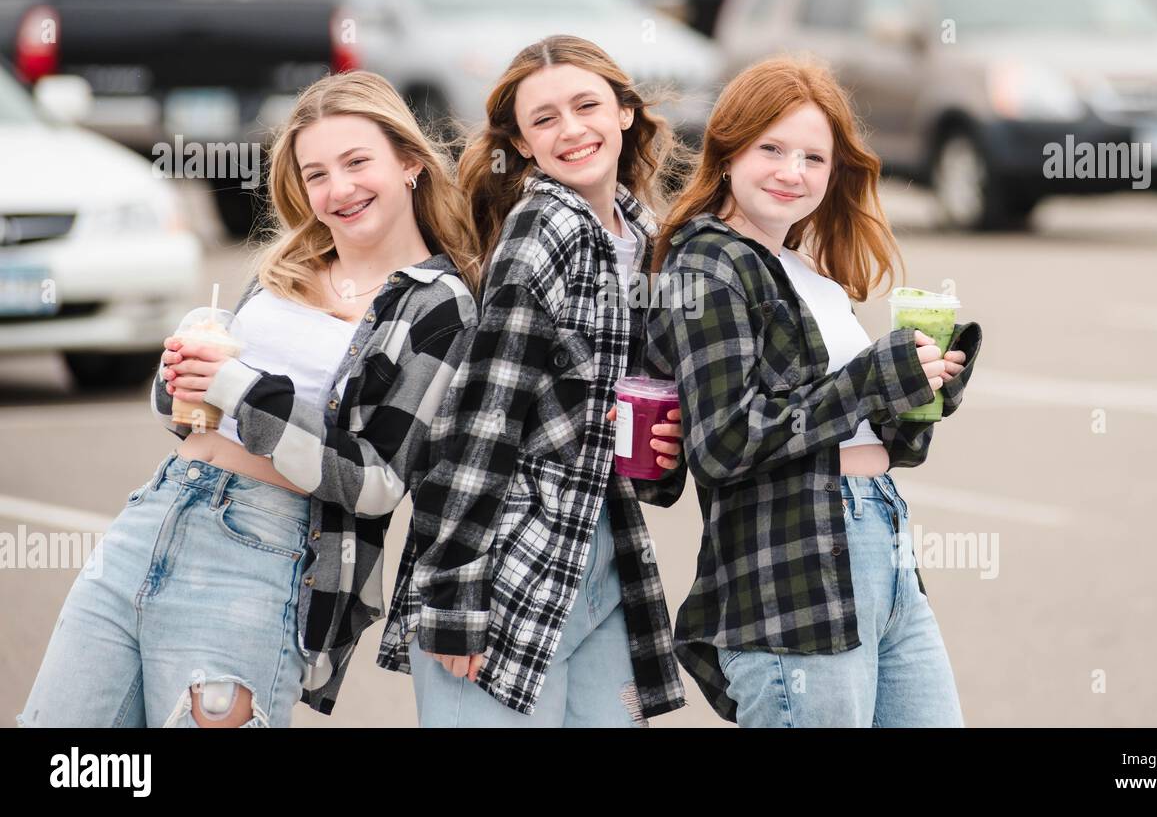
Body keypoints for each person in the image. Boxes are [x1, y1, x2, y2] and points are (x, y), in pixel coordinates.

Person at [18, 71, 479, 726]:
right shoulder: (285, 267)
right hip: (155, 514)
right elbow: (189, 423)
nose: (338, 189)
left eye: (356, 162)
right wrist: (180, 372)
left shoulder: (438, 306)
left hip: (263, 551)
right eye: (315, 174)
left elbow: (374, 482)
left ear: (409, 163)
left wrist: (239, 387)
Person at [643, 57, 984, 727]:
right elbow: (723, 444)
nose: (791, 172)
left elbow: (884, 443)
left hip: (881, 542)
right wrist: (871, 377)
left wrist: (922, 391)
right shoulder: (709, 263)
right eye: (771, 148)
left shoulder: (806, 270)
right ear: (728, 150)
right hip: (790, 573)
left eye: (813, 158)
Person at [377, 35, 688, 727]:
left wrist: (663, 456)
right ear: (519, 144)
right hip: (509, 562)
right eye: (545, 120)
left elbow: (637, 414)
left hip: (602, 556)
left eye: (587, 106)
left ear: (625, 113)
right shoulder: (544, 226)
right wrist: (456, 593)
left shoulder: (643, 236)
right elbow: (482, 415)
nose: (572, 130)